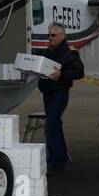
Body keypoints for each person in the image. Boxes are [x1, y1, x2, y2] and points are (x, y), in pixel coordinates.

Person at [36, 23, 84, 173]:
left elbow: (79, 72)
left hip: (59, 94)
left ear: (62, 36)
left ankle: (56, 161)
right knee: (55, 126)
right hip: (48, 94)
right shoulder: (48, 52)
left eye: (53, 35)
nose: (50, 38)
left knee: (50, 127)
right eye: (49, 35)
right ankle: (60, 157)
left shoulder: (70, 52)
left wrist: (61, 74)